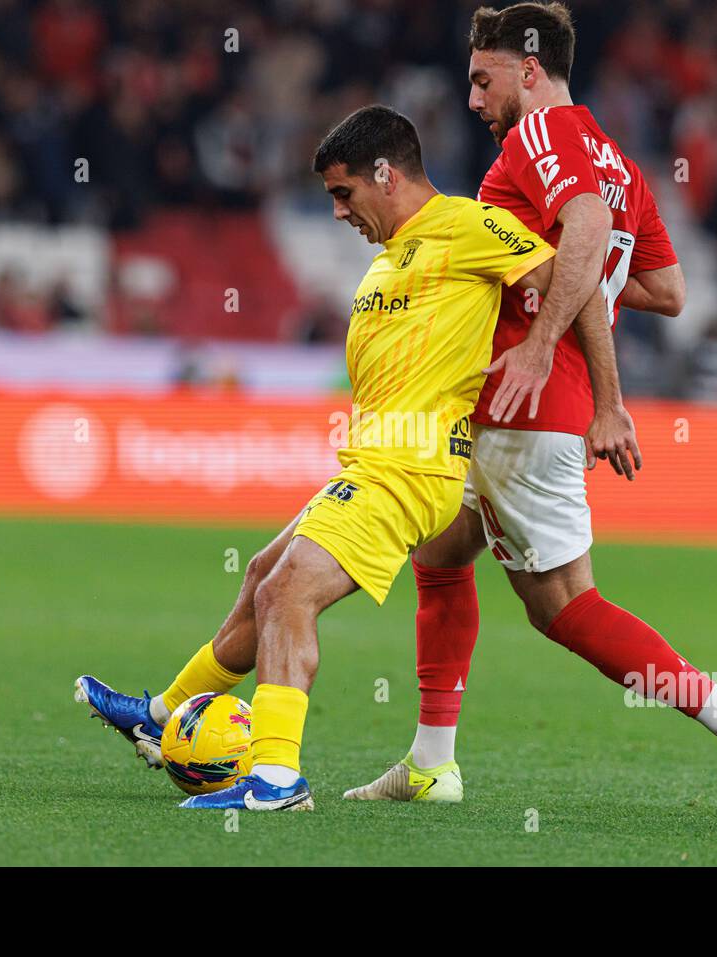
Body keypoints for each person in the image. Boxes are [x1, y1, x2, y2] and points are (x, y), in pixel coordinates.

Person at [75, 104, 607, 811]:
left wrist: (583, 381)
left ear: (386, 174)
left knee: (284, 593)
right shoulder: (395, 255)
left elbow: (579, 278)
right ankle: (167, 711)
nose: (336, 212)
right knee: (263, 576)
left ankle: (275, 778)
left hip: (412, 469)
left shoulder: (471, 226)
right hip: (372, 464)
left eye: (343, 192)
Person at [341, 2, 717, 815]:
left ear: (530, 68)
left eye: (484, 79)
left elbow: (584, 225)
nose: (474, 101)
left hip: (526, 396)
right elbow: (667, 289)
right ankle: (432, 762)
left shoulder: (541, 137)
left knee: (565, 607)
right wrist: (584, 304)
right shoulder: (618, 159)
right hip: (524, 400)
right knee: (440, 555)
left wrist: (551, 343)